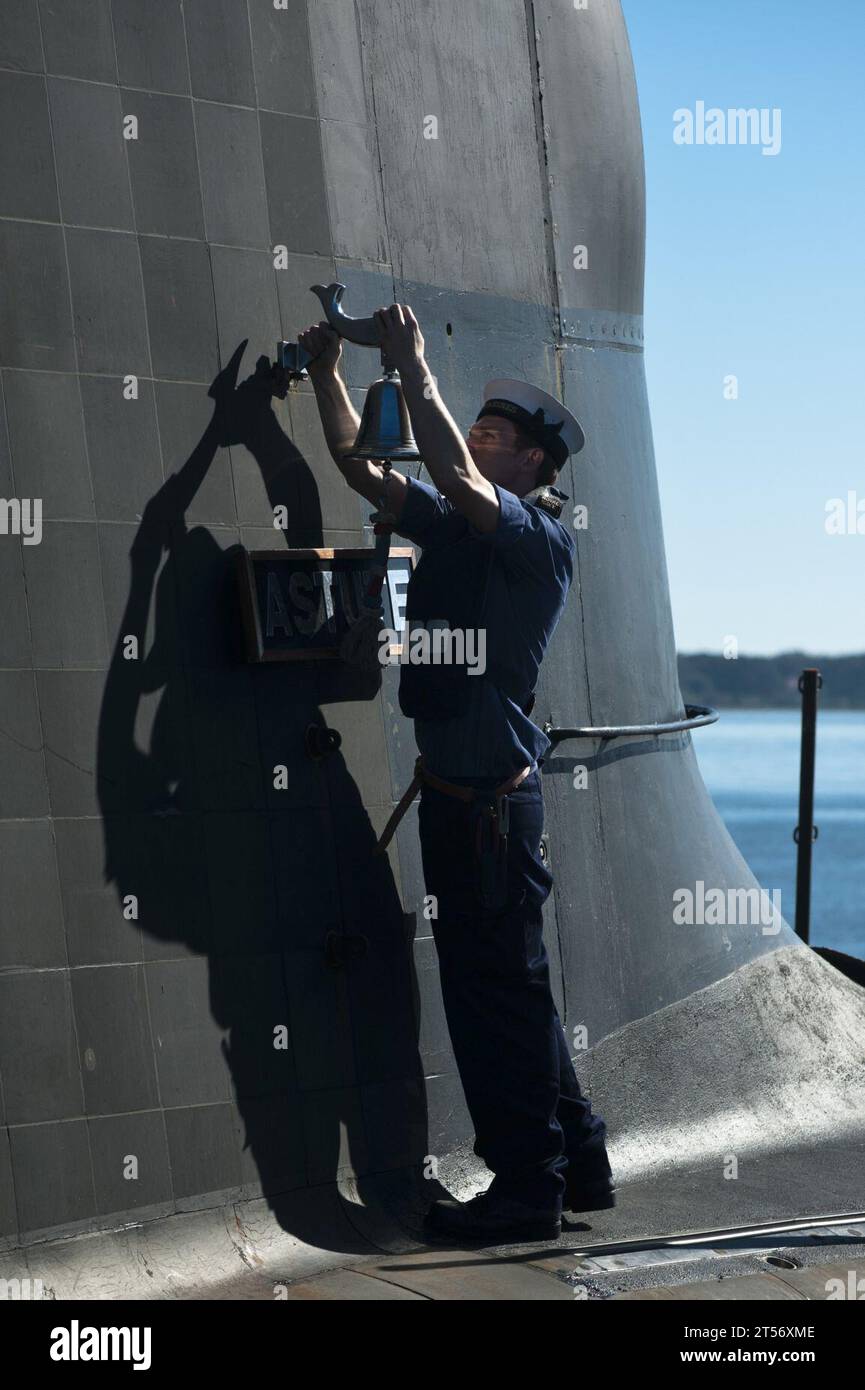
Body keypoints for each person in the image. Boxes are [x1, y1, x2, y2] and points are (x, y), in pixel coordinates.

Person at [300, 304, 614, 1243]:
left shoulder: (533, 542)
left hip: (486, 812)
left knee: (492, 1001)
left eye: (496, 436)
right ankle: (578, 1162)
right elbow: (366, 469)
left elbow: (450, 474)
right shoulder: (463, 530)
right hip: (459, 800)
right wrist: (326, 372)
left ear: (531, 468)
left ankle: (527, 1194)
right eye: (475, 426)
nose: (478, 440)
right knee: (513, 990)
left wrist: (411, 364)